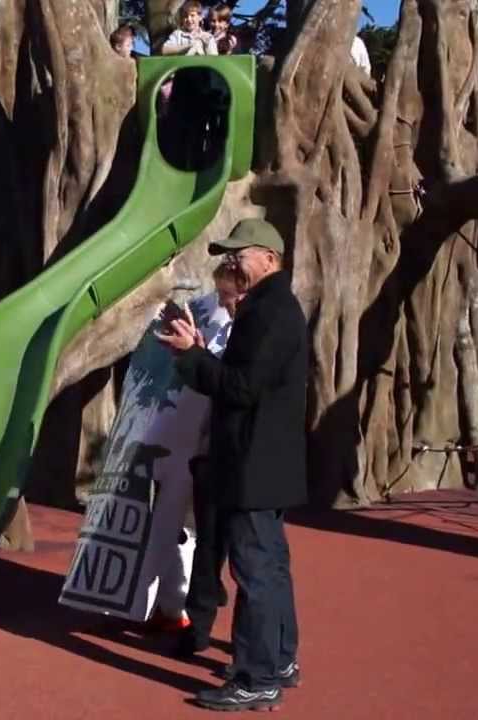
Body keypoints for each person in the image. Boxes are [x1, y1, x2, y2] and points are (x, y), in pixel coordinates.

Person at [157, 219, 307, 712]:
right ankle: (278, 660)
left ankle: (257, 675)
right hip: (264, 463)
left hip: (252, 463)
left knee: (257, 573)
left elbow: (242, 387)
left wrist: (192, 356)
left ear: (269, 257)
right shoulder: (271, 308)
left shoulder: (269, 313)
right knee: (272, 568)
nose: (231, 263)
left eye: (239, 255)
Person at [176, 262, 245, 655]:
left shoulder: (255, 333)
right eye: (220, 298)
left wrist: (200, 358)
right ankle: (197, 625)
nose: (224, 305)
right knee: (207, 547)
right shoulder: (222, 329)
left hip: (239, 456)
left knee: (245, 554)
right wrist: (198, 353)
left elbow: (232, 384)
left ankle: (250, 641)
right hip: (207, 451)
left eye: (228, 297)